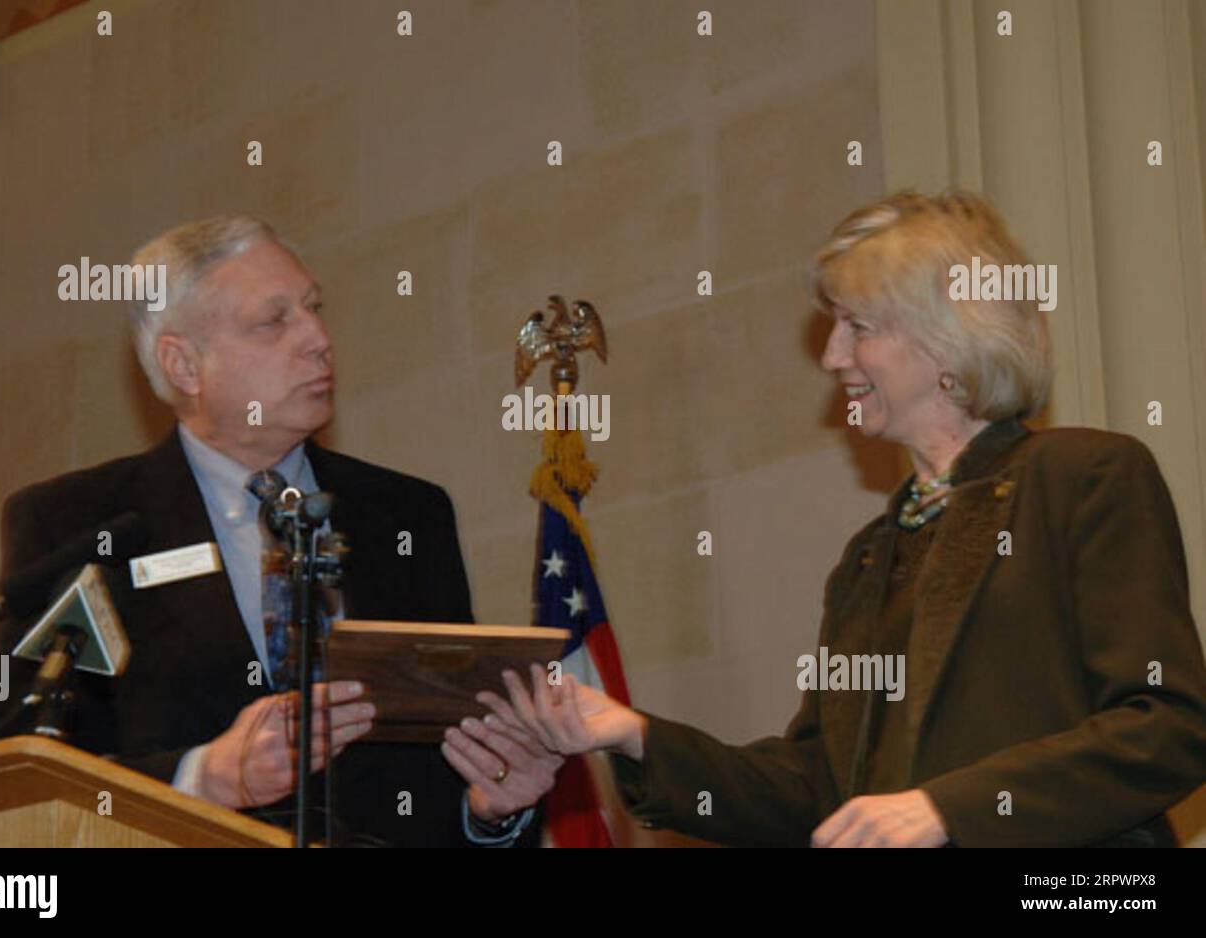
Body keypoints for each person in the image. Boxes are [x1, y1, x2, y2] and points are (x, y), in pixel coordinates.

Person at [468, 191, 1206, 847]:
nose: (830, 356)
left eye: (857, 326)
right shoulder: (869, 557)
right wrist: (632, 736)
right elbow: (813, 790)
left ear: (949, 334)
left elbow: (1167, 726)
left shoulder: (1085, 478)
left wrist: (947, 812)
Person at [0, 216, 555, 846]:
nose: (319, 339)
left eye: (314, 308)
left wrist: (493, 813)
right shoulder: (79, 523)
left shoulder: (408, 514)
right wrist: (203, 778)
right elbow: (22, 781)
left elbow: (448, 764)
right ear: (184, 365)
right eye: (274, 321)